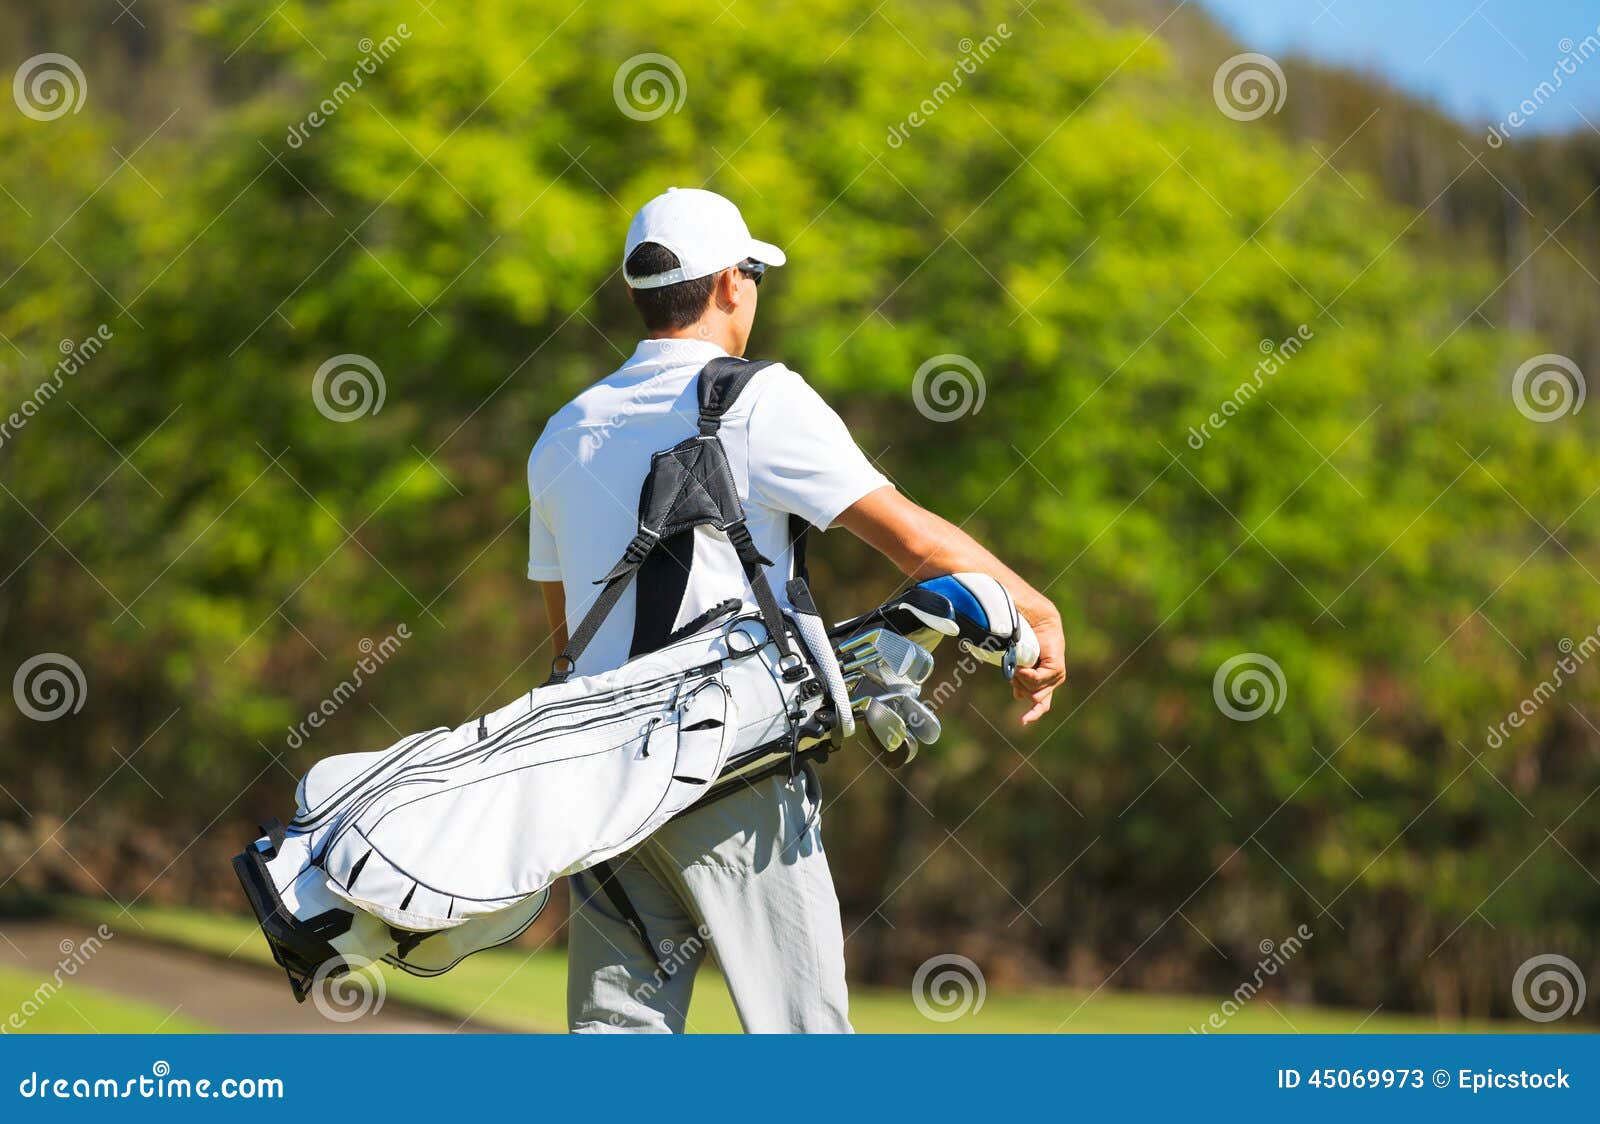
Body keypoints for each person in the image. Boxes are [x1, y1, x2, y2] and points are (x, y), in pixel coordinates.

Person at [527, 187, 1066, 1033]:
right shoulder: (760, 399)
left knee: (614, 1044)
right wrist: (1033, 608)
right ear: (729, 284)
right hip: (735, 774)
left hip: (602, 778)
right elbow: (914, 543)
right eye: (753, 274)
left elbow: (568, 640)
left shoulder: (563, 431)